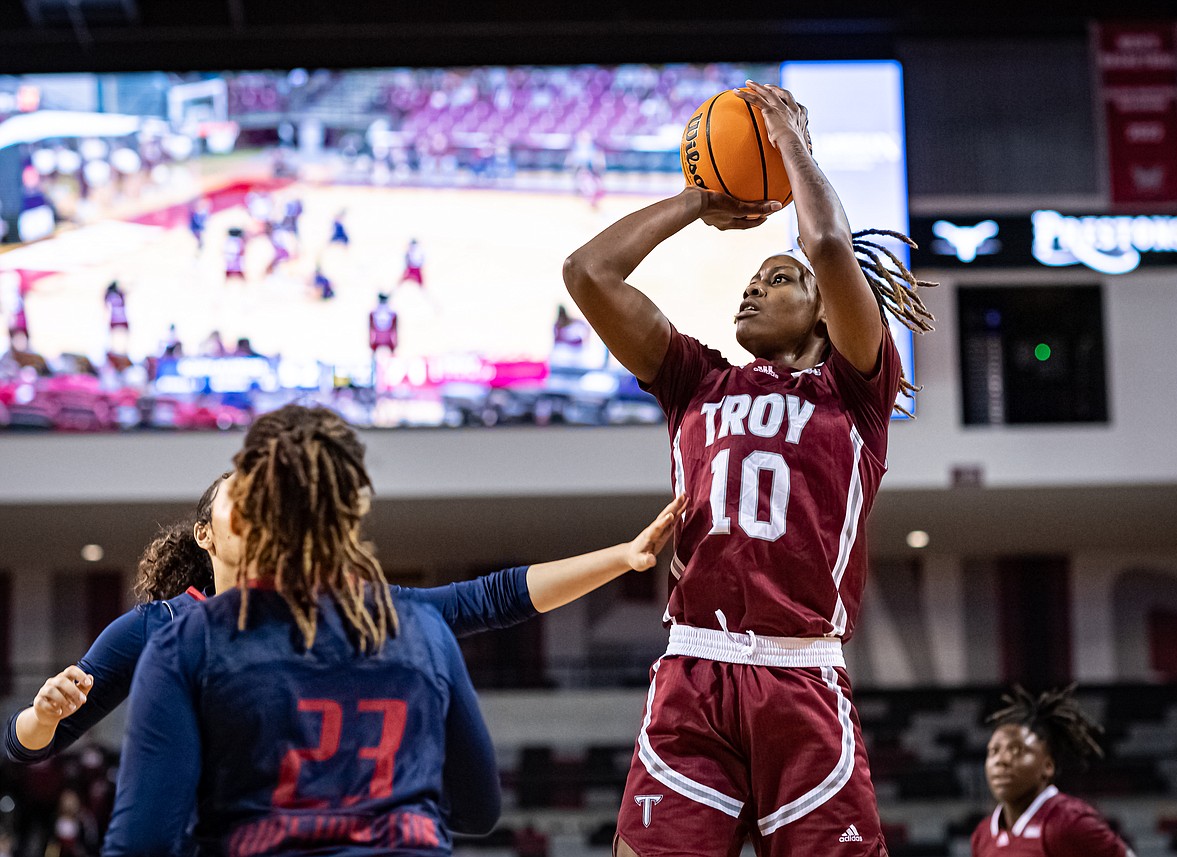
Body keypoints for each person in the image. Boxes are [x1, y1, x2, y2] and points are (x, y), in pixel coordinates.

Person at [562, 81, 934, 857]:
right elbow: (588, 273)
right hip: (695, 667)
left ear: (829, 311)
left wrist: (791, 143)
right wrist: (702, 199)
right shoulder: (697, 380)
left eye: (779, 278)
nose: (753, 285)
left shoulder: (858, 393)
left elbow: (829, 247)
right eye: (754, 276)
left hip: (803, 678)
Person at [6, 470, 684, 765]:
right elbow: (29, 744)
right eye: (240, 498)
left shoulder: (344, 611)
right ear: (204, 534)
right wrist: (43, 710)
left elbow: (487, 599)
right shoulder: (152, 629)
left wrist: (622, 558)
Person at [101, 404, 498, 855]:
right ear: (351, 510)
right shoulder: (424, 632)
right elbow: (478, 811)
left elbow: (142, 843)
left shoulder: (188, 643)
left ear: (249, 512)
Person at [972, 686, 1137, 857]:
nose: (1001, 760)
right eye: (993, 751)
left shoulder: (1070, 823)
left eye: (1016, 750)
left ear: (1048, 766)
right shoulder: (983, 835)